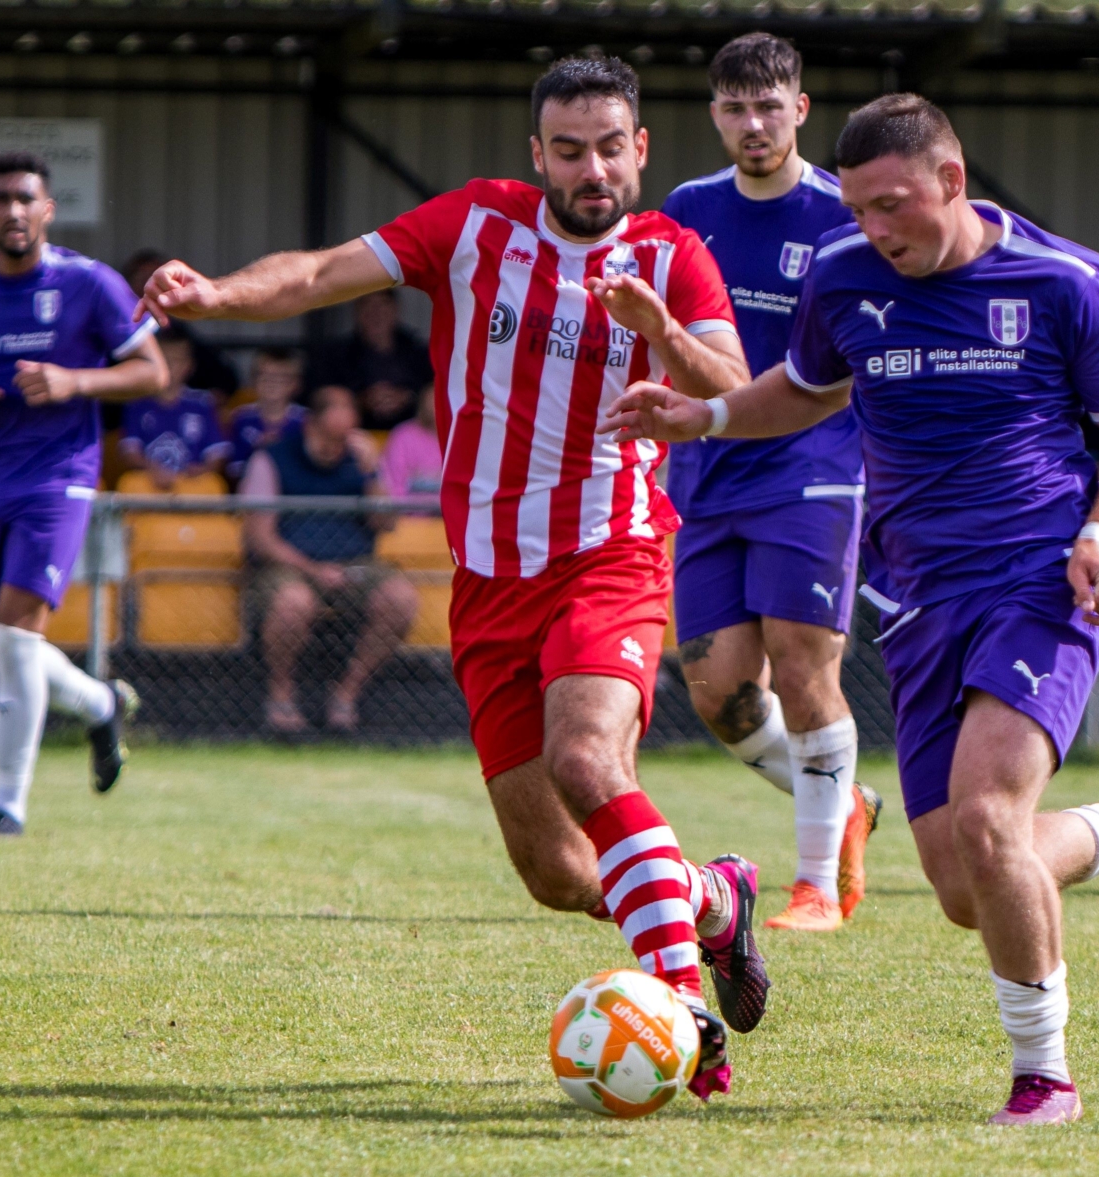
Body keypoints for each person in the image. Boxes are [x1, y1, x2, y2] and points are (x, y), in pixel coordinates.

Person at [136, 56, 763, 1100]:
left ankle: (680, 1021)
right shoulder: (476, 225)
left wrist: (659, 334)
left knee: (588, 764)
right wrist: (215, 295)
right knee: (556, 873)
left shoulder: (671, 254)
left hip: (609, 553)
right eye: (569, 148)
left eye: (611, 145)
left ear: (640, 148)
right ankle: (709, 902)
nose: (592, 166)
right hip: (487, 583)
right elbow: (321, 273)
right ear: (537, 155)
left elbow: (735, 386)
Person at [604, 94, 1099, 1126]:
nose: (875, 229)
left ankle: (1044, 1080)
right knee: (961, 884)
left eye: (892, 205)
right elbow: (805, 390)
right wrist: (704, 412)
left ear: (951, 180)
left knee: (989, 820)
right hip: (917, 599)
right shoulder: (843, 276)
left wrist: (1097, 535)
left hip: (1040, 581)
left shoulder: (1070, 285)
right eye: (858, 209)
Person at [658, 33, 878, 933]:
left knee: (802, 660)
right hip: (707, 465)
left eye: (770, 106)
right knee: (717, 691)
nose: (754, 124)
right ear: (715, 115)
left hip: (813, 462)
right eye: (736, 109)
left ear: (801, 110)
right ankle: (845, 804)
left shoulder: (842, 214)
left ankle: (815, 885)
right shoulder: (686, 207)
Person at [0, 151, 163, 837]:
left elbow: (151, 369)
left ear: (48, 209)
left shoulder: (89, 284)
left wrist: (76, 382)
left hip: (60, 477)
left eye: (26, 198)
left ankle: (6, 807)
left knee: (19, 638)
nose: (13, 210)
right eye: (0, 199)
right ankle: (101, 704)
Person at [239, 385, 418, 733]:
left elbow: (387, 523)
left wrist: (372, 472)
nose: (335, 449)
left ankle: (346, 693)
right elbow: (260, 538)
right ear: (310, 425)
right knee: (293, 602)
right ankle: (281, 693)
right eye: (329, 438)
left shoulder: (361, 461)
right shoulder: (272, 458)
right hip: (289, 566)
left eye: (343, 439)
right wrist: (313, 570)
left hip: (354, 563)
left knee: (400, 598)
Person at [119, 326, 231, 489]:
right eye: (164, 359)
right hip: (150, 483)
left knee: (213, 485)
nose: (170, 366)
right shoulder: (136, 404)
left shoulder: (202, 404)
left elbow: (217, 454)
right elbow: (129, 452)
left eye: (177, 360)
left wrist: (202, 470)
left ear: (189, 366)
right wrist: (152, 469)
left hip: (191, 484)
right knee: (130, 483)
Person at [120, 248, 239, 397]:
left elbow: (225, 379)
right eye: (142, 279)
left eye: (155, 280)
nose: (148, 287)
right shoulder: (115, 327)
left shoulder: (176, 330)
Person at [317, 288, 436, 431]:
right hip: (353, 436)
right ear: (357, 312)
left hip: (413, 438)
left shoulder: (420, 353)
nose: (375, 313)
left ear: (395, 309)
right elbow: (320, 399)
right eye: (367, 305)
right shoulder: (336, 355)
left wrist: (409, 397)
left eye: (383, 305)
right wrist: (360, 400)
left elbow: (437, 392)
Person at [226, 347, 308, 484]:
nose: (272, 384)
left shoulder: (306, 421)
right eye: (265, 376)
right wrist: (256, 452)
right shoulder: (241, 418)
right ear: (253, 379)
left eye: (281, 378)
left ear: (295, 384)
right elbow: (233, 469)